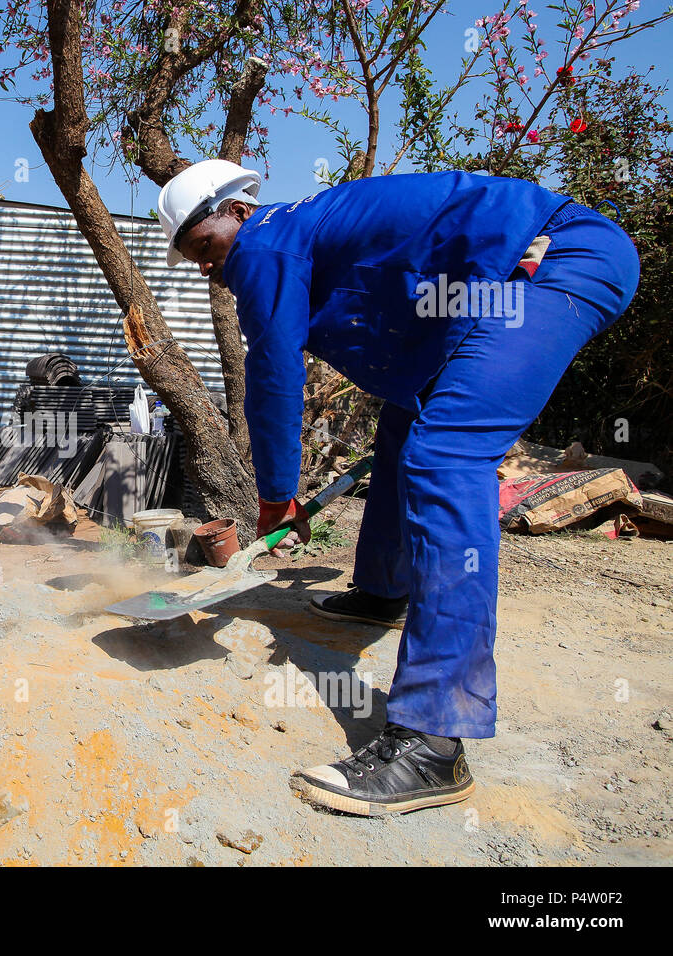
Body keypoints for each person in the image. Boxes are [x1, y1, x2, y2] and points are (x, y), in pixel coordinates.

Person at [158, 160, 640, 815]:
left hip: (556, 259)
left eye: (207, 247)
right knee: (408, 418)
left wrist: (277, 497)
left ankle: (434, 742)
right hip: (509, 276)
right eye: (195, 260)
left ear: (238, 211)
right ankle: (384, 591)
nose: (211, 267)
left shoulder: (266, 242)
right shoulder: (298, 236)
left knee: (444, 454)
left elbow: (273, 374)